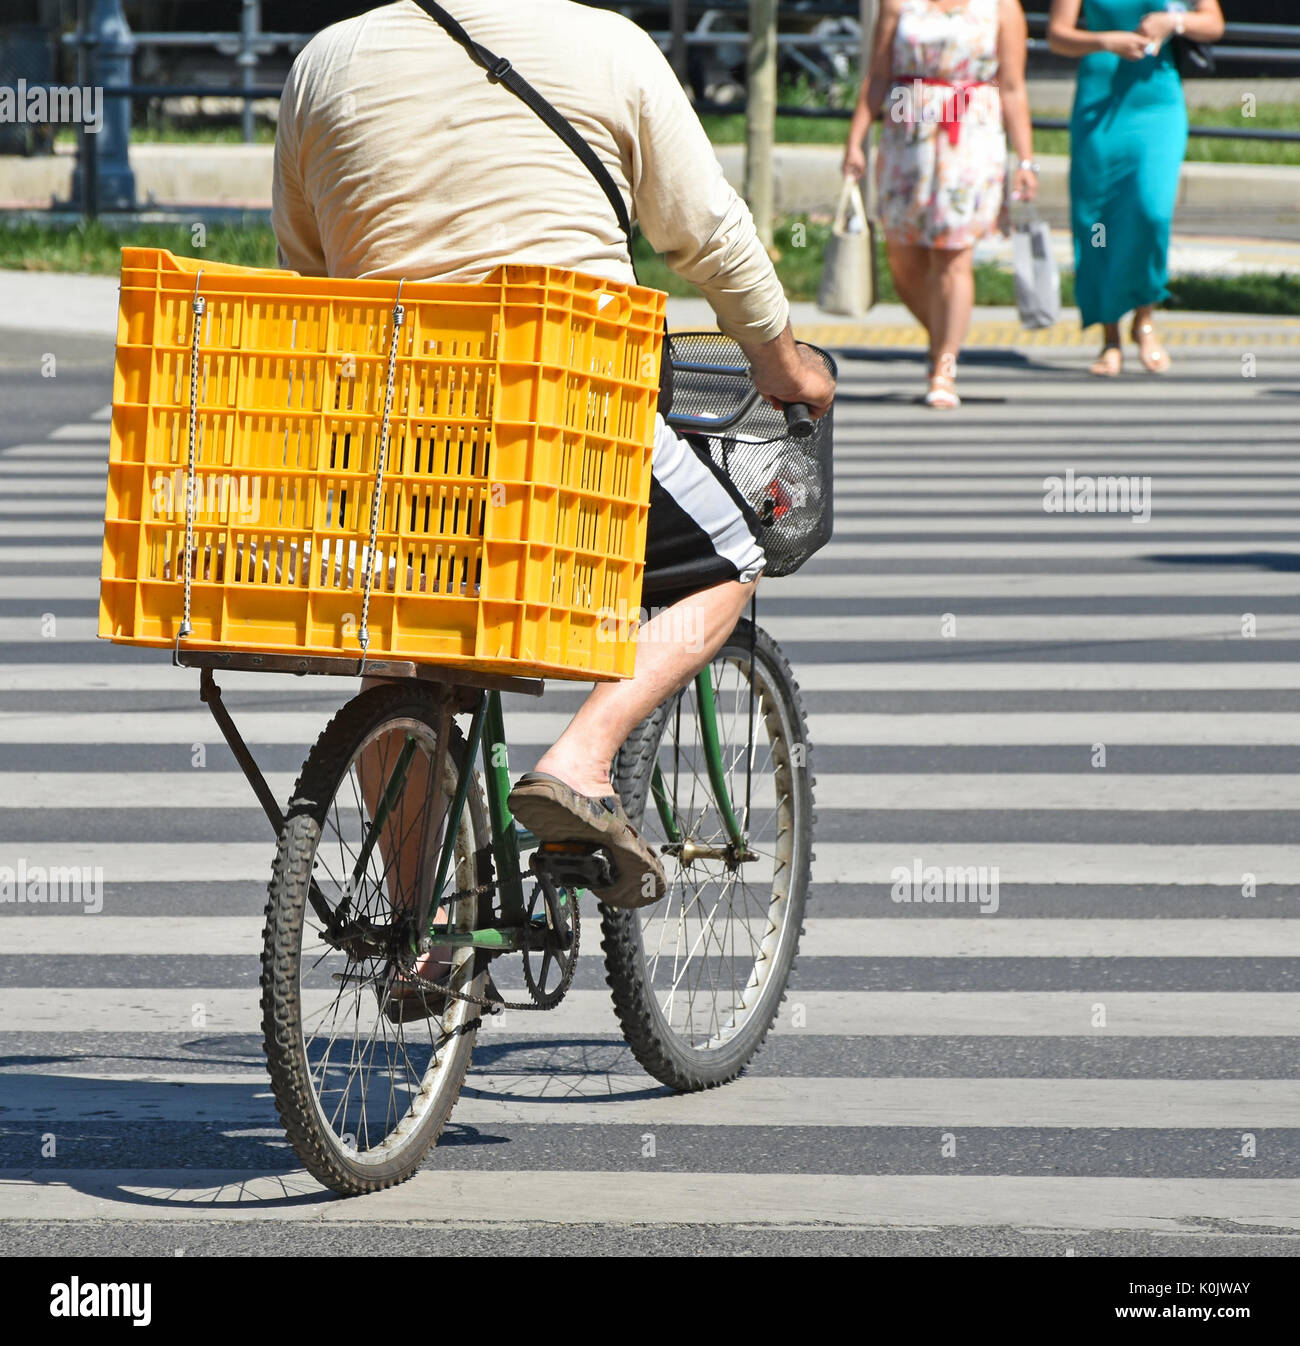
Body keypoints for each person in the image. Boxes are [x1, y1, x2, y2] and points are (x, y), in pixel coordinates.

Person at [271, 1, 835, 968]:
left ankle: (427, 939)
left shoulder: (327, 59)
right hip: (565, 416)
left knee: (407, 651)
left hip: (400, 432)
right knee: (733, 555)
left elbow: (307, 262)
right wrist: (781, 363)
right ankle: (582, 754)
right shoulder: (610, 45)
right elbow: (707, 234)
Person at [843, 0, 1037, 409]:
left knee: (953, 256)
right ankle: (945, 334)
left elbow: (1015, 86)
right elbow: (877, 74)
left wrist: (1026, 159)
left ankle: (944, 364)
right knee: (903, 261)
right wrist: (856, 140)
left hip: (971, 138)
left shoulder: (1002, 7)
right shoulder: (896, 3)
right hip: (905, 135)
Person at [1048, 0, 1225, 376]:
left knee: (1151, 211)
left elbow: (1213, 24)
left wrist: (1172, 21)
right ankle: (1109, 334)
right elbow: (1058, 36)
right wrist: (1105, 41)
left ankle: (1144, 315)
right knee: (1096, 222)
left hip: (1157, 102)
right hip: (1099, 98)